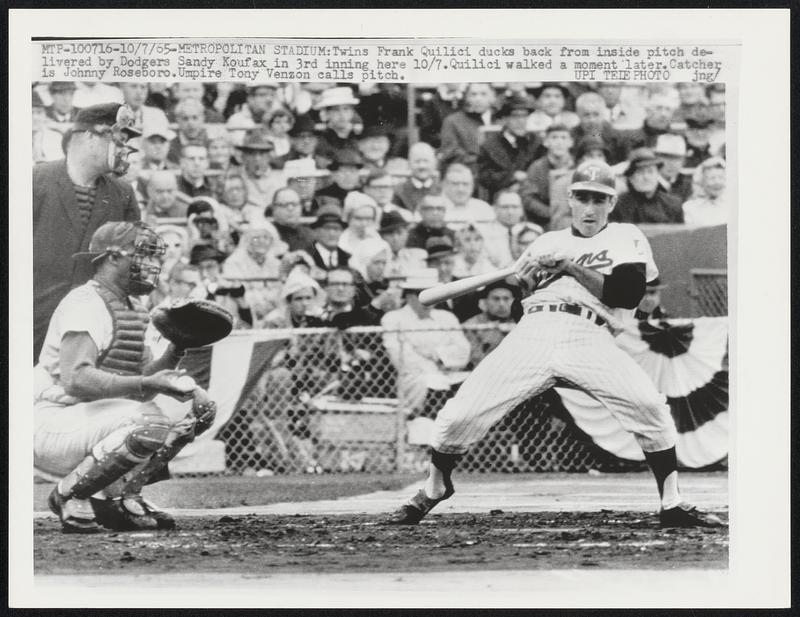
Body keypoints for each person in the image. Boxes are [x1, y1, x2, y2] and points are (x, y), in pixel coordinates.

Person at [386, 160, 723, 529]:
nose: (590, 208)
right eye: (582, 198)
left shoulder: (625, 236)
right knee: (459, 415)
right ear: (570, 200)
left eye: (599, 199)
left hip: (589, 334)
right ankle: (436, 487)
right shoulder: (547, 241)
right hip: (535, 329)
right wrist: (528, 286)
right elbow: (519, 305)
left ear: (611, 203)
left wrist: (570, 267)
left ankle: (671, 501)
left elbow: (627, 294)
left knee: (648, 406)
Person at [35, 221, 217, 533]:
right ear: (112, 258)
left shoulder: (133, 306)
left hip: (91, 422)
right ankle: (69, 494)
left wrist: (176, 349)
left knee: (200, 409)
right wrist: (148, 383)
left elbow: (141, 390)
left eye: (153, 256)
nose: (152, 263)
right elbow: (76, 379)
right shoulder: (85, 302)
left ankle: (120, 496)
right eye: (143, 254)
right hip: (50, 420)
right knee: (151, 421)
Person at [33, 102, 141, 361]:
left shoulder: (123, 193)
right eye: (119, 139)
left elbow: (134, 263)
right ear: (90, 136)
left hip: (95, 329)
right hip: (31, 322)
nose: (124, 149)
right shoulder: (33, 180)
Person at [381, 268, 471, 419]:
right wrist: (438, 364)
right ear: (409, 296)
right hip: (415, 379)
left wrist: (435, 354)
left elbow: (463, 352)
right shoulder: (393, 319)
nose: (429, 300)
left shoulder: (447, 317)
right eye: (422, 294)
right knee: (427, 381)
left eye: (433, 294)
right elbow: (401, 358)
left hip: (451, 376)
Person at [477, 93, 540, 201]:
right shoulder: (490, 145)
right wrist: (512, 176)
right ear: (505, 119)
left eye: (524, 116)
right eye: (515, 116)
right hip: (500, 196)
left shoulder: (535, 142)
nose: (521, 121)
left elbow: (542, 171)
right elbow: (484, 176)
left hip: (532, 195)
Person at [222, 226, 286, 326]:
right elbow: (237, 290)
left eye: (266, 238)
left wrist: (270, 305)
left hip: (272, 308)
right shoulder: (233, 262)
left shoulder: (276, 263)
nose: (262, 242)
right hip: (244, 309)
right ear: (246, 241)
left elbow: (280, 290)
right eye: (256, 238)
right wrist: (256, 305)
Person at [519, 123, 575, 228]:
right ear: (546, 142)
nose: (559, 142)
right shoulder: (536, 168)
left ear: (571, 142)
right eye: (554, 137)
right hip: (546, 220)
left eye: (563, 138)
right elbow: (528, 198)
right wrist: (551, 213)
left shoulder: (578, 166)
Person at [611, 148, 684, 224]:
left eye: (650, 171)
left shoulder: (673, 205)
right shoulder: (619, 206)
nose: (646, 177)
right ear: (631, 178)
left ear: (657, 175)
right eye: (640, 172)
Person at [190, 244, 252, 328]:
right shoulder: (192, 289)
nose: (204, 273)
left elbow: (249, 323)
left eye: (210, 267)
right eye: (200, 268)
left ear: (220, 266)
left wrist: (240, 299)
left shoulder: (231, 285)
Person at [439, 82, 496, 173]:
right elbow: (450, 154)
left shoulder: (502, 121)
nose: (478, 99)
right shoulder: (453, 122)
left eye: (483, 94)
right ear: (466, 97)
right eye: (473, 94)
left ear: (493, 97)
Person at [462, 279, 519, 369]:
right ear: (485, 302)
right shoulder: (472, 325)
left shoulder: (522, 322)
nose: (501, 304)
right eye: (496, 299)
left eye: (506, 299)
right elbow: (475, 359)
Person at [570, 91, 629, 164]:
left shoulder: (617, 138)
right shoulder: (571, 136)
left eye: (596, 114)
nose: (592, 120)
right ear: (578, 115)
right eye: (586, 115)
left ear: (603, 113)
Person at [235, 127, 285, 210]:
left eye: (262, 154)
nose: (257, 158)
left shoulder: (280, 177)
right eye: (252, 154)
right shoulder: (236, 177)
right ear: (244, 156)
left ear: (269, 157)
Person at [313, 86, 361, 168]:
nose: (342, 115)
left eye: (346, 109)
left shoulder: (359, 136)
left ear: (352, 112)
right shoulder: (320, 139)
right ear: (327, 114)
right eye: (336, 110)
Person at [480, 190, 526, 268]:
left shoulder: (533, 232)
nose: (510, 212)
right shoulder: (483, 234)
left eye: (515, 207)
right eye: (505, 207)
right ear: (494, 209)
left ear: (522, 210)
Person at [392, 142, 441, 215]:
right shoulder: (398, 191)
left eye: (426, 161)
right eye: (417, 162)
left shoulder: (441, 189)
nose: (422, 166)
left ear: (434, 164)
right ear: (409, 164)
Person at [378, 211, 428, 278]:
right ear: (381, 236)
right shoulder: (376, 259)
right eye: (390, 233)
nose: (395, 238)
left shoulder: (418, 256)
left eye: (399, 233)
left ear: (407, 234)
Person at [682, 157, 728, 227]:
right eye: (712, 178)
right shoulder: (689, 208)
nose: (717, 182)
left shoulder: (733, 205)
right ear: (701, 182)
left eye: (721, 177)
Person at [270, 187, 315, 254]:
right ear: (274, 209)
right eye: (284, 205)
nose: (290, 208)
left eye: (294, 204)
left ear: (300, 207)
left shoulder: (310, 236)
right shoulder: (268, 234)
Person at [166, 98, 210, 165]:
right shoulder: (169, 147)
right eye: (185, 118)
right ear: (177, 120)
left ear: (203, 119)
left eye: (195, 117)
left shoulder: (211, 146)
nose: (190, 123)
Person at [652, 133, 693, 205]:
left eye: (676, 159)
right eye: (666, 157)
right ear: (655, 158)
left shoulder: (688, 185)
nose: (671, 163)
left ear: (684, 161)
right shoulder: (648, 183)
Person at [309, 205, 351, 272]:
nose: (332, 233)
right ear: (316, 230)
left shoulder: (348, 258)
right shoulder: (307, 255)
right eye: (327, 228)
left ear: (342, 232)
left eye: (336, 228)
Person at [338, 191, 381, 255]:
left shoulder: (379, 241)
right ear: (348, 218)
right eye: (358, 218)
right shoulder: (340, 242)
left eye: (368, 219)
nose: (364, 224)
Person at [32, 90, 64, 162]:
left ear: (45, 115)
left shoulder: (56, 138)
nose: (35, 117)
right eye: (30, 112)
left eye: (39, 112)